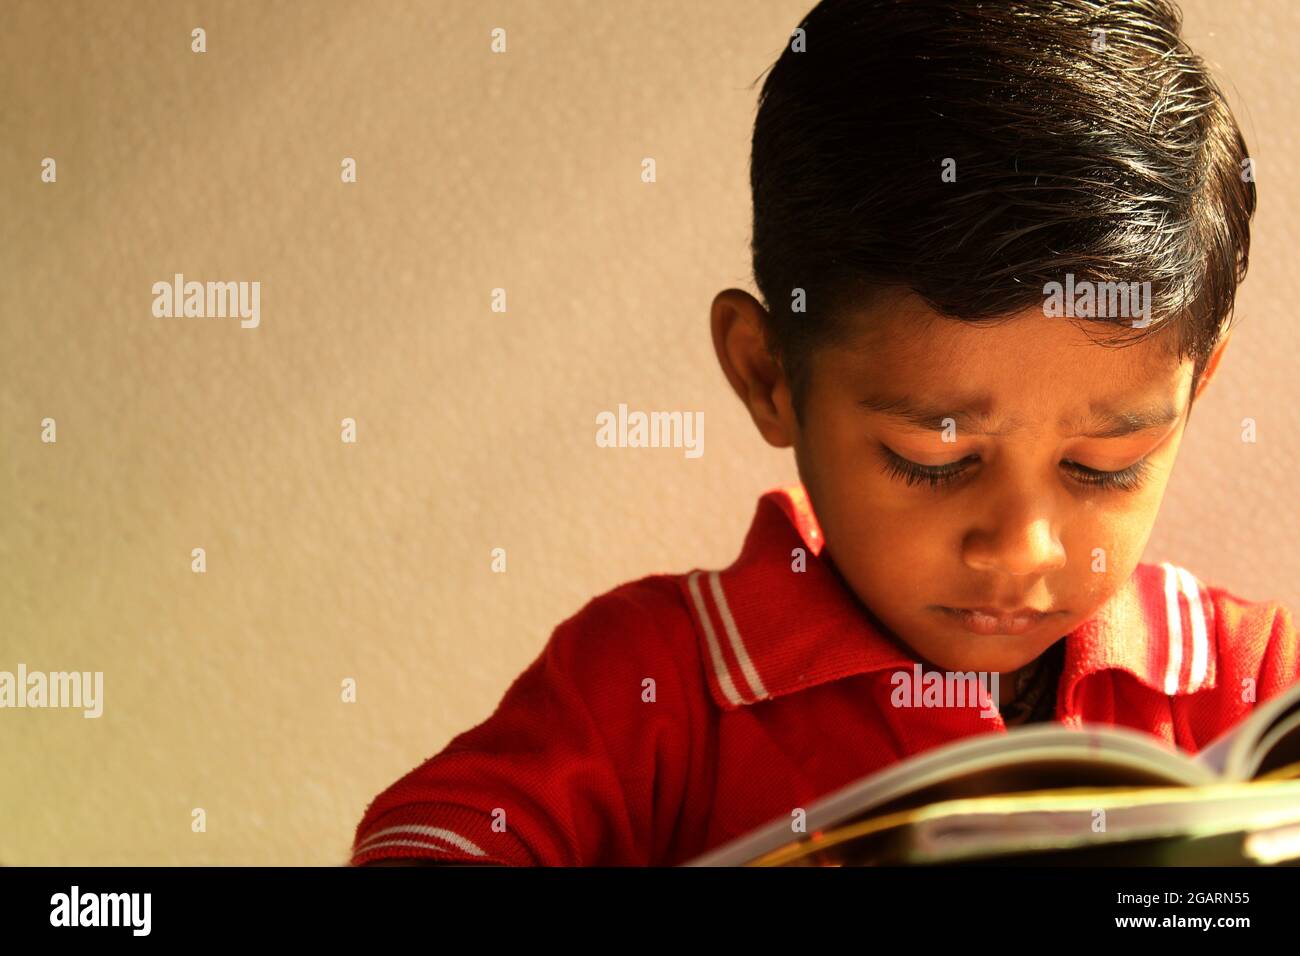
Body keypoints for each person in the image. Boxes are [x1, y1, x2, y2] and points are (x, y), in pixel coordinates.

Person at [351, 0, 1296, 866]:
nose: (1021, 546)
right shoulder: (658, 684)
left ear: (1198, 387)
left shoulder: (1254, 681)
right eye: (936, 458)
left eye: (1105, 465)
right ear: (769, 376)